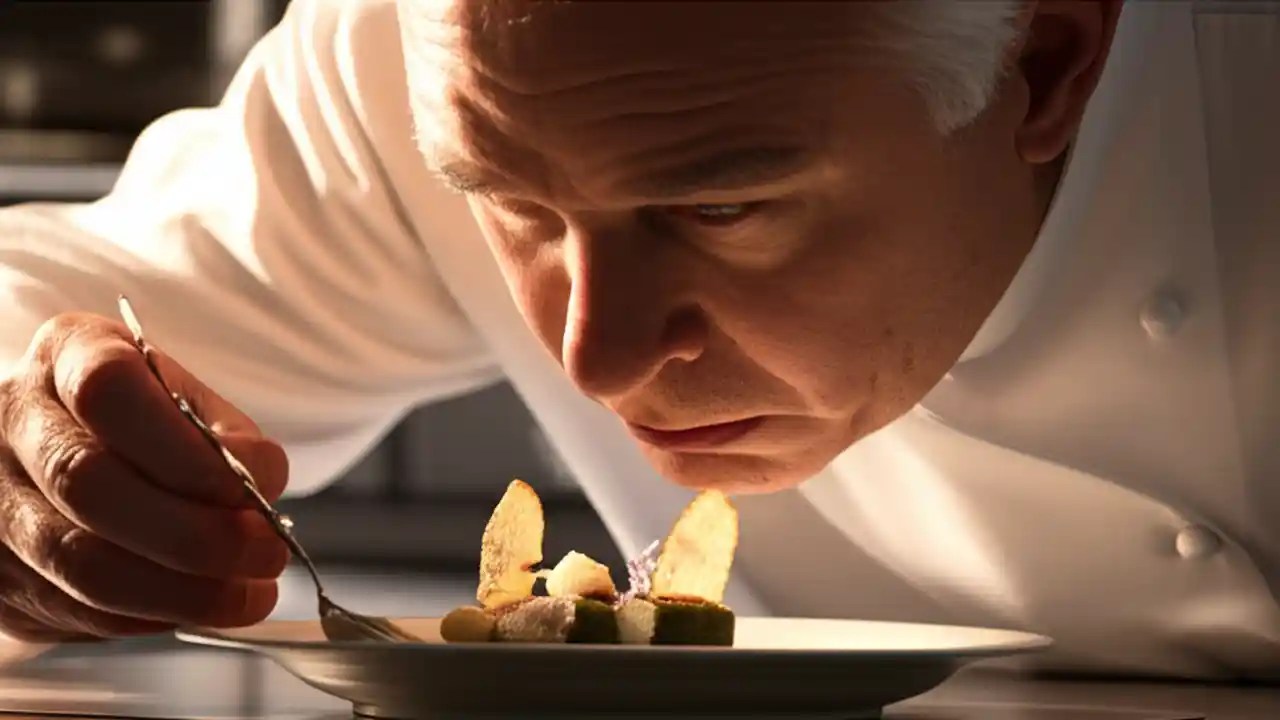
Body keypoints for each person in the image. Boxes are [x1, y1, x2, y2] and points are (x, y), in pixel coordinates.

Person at [0, 0, 1276, 679]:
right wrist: (36, 474)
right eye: (510, 204)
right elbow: (54, 313)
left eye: (721, 208)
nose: (594, 360)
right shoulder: (429, 53)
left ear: (1044, 66)